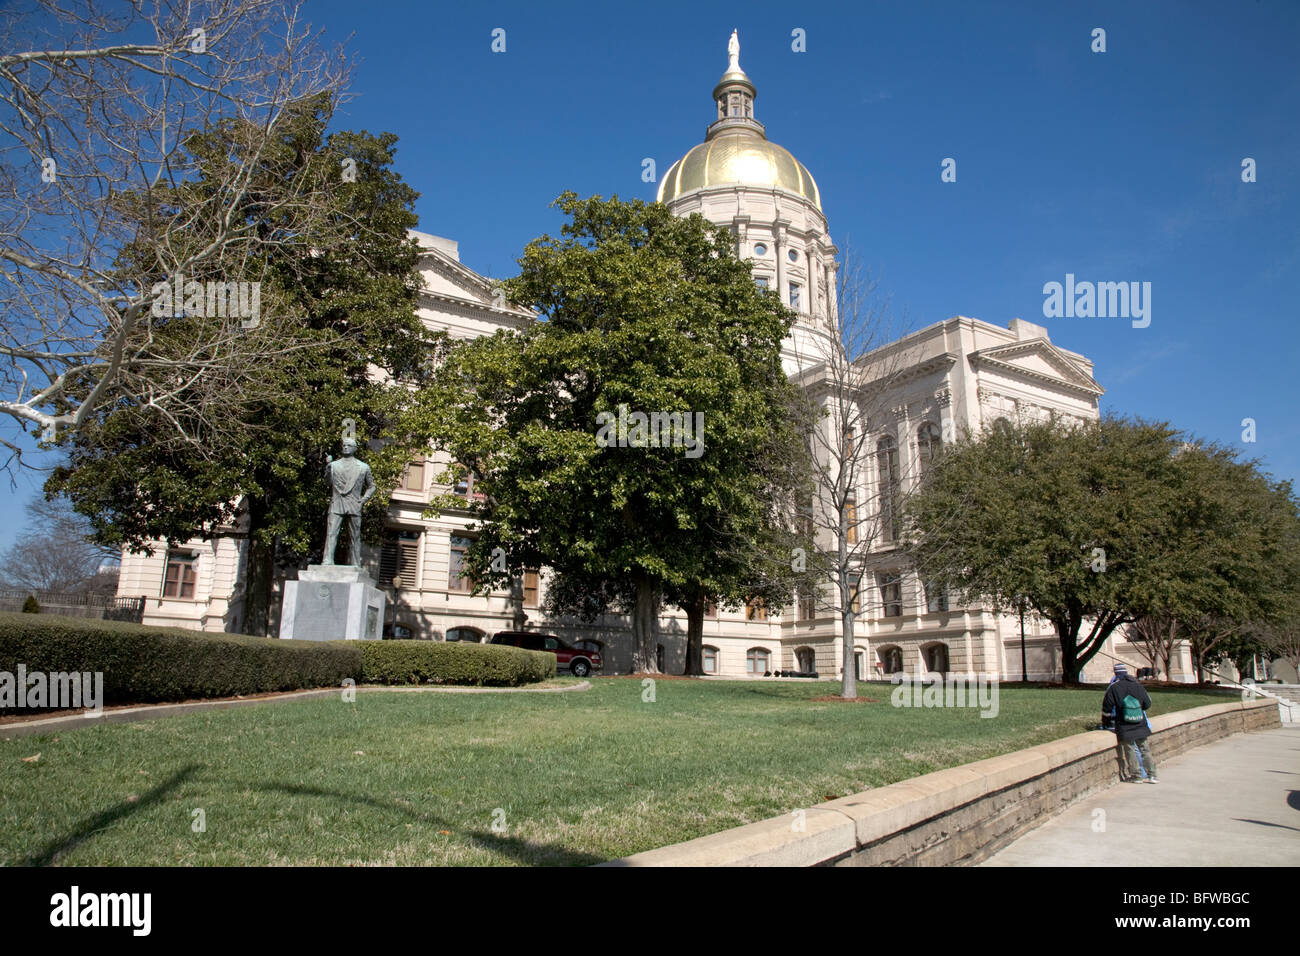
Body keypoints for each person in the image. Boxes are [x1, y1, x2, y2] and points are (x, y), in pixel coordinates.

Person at [1102, 663, 1158, 783]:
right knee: (1144, 748)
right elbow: (1147, 703)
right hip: (1139, 721)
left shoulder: (1114, 687)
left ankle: (1136, 775)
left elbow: (1107, 708)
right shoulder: (1137, 685)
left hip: (1124, 724)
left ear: (1116, 673)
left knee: (1129, 749)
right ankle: (1152, 774)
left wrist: (1105, 723)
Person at [323, 437, 375, 566]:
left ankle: (355, 562)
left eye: (349, 445)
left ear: (355, 448)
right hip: (337, 501)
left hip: (354, 503)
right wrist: (328, 468)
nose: (345, 447)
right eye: (344, 445)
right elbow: (327, 483)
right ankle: (327, 559)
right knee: (331, 533)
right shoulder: (334, 465)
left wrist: (363, 500)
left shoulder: (363, 467)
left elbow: (372, 486)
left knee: (355, 536)